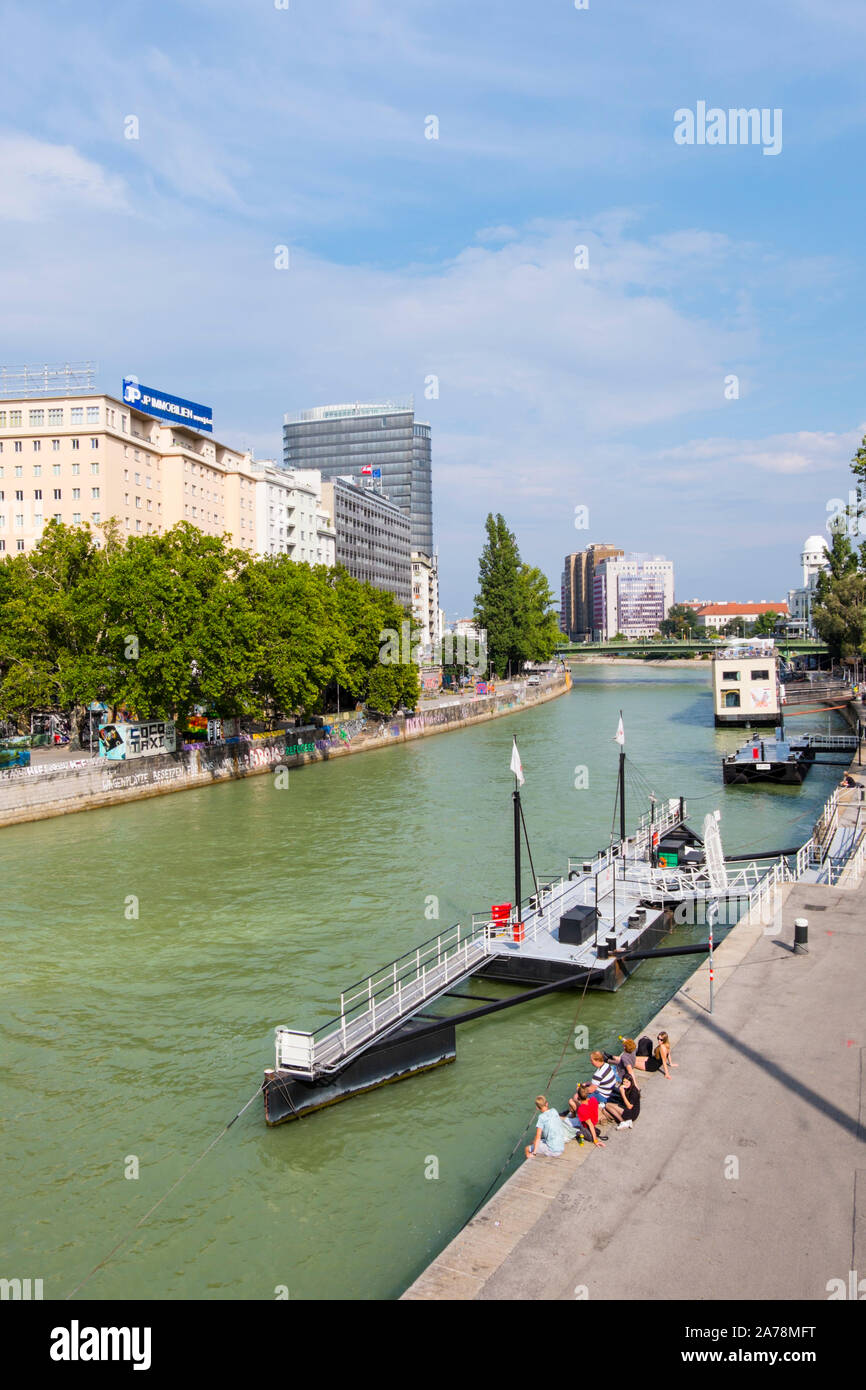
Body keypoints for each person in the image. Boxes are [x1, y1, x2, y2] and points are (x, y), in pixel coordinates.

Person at [587, 1050, 632, 1127]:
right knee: (587, 1085)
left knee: (579, 1096)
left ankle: (578, 1115)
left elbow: (591, 1090)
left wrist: (581, 1089)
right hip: (610, 1090)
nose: (591, 1062)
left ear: (597, 1060)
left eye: (592, 1060)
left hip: (603, 1096)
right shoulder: (607, 1065)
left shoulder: (597, 1075)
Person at [525, 1095, 576, 1159]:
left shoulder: (541, 1117)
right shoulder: (554, 1110)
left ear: (537, 1108)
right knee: (533, 1142)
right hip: (561, 1146)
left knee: (527, 1148)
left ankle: (531, 1158)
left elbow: (538, 1136)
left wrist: (534, 1153)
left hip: (553, 1151)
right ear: (547, 1103)